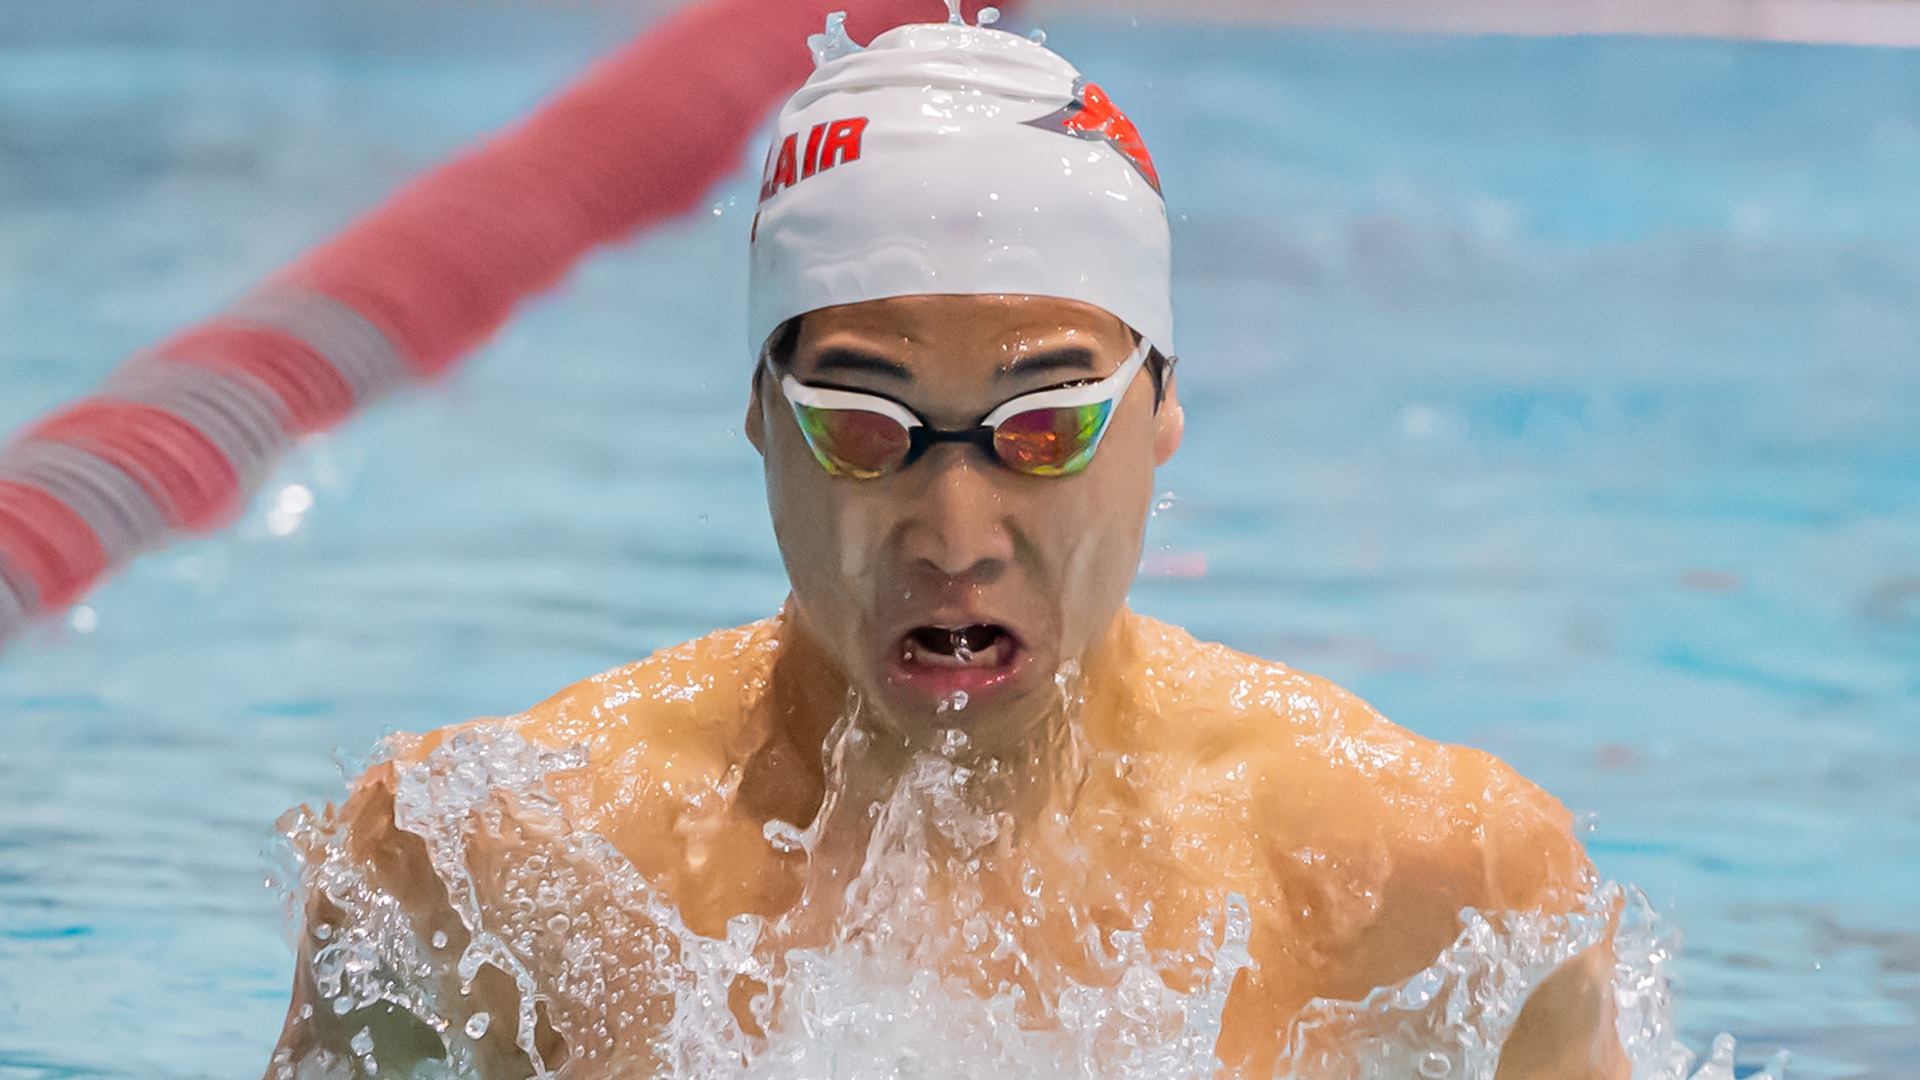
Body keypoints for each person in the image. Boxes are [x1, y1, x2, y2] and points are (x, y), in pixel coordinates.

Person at [267, 15, 1627, 1080]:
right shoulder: (487, 867)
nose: (956, 538)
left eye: (1048, 428)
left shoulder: (1443, 885)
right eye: (864, 429)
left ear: (1162, 415)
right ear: (760, 417)